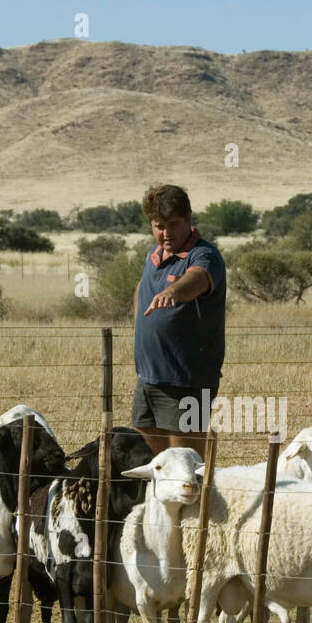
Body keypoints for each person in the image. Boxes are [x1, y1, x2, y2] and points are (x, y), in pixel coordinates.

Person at [131, 183, 226, 455]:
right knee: (150, 462)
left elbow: (196, 279)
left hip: (188, 379)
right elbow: (142, 289)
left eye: (173, 224)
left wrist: (173, 291)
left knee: (187, 465)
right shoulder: (154, 256)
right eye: (158, 225)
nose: (165, 233)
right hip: (149, 377)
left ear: (188, 219)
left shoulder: (205, 256)